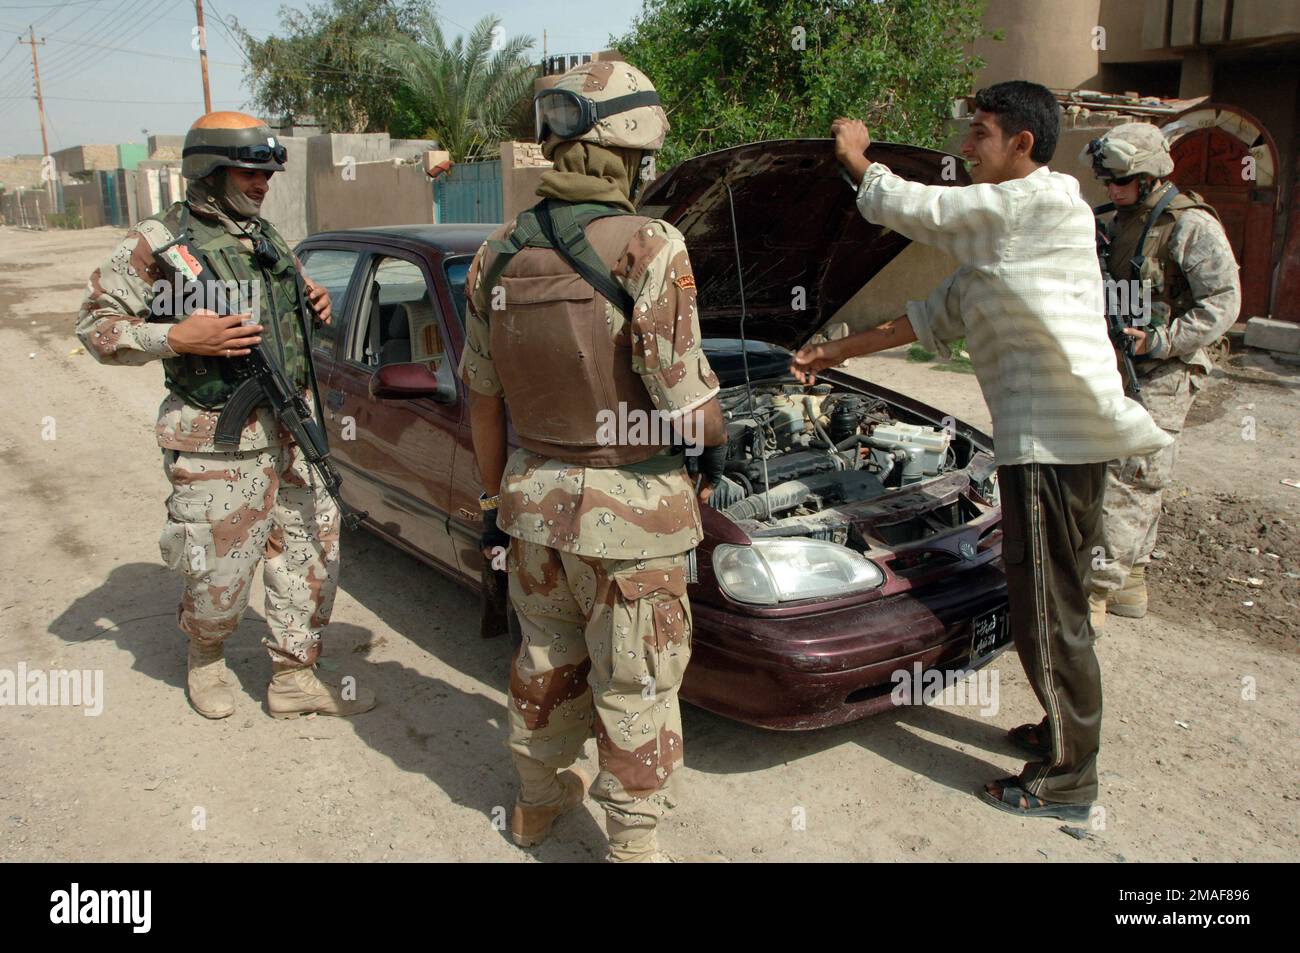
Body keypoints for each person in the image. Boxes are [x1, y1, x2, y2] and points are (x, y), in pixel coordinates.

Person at [790, 81, 1171, 820]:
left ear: (1023, 144)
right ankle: (1061, 729)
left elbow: (925, 210)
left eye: (982, 133)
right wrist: (829, 351)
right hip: (1058, 447)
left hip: (1054, 448)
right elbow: (926, 319)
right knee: (1048, 599)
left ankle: (1066, 779)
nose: (966, 146)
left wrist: (858, 159)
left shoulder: (1040, 203)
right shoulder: (1007, 244)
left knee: (1045, 609)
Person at [459, 61, 726, 861]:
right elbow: (687, 406)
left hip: (531, 505)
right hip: (633, 519)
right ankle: (634, 844)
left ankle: (538, 804)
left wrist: (488, 502)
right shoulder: (652, 244)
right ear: (632, 148)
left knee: (544, 661)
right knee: (636, 680)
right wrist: (721, 434)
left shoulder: (495, 253)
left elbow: (482, 397)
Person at [75, 111, 375, 720]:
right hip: (218, 439)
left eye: (268, 173)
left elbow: (281, 308)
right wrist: (178, 337)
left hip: (295, 429)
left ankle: (295, 675)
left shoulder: (264, 237)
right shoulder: (158, 244)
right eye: (250, 171)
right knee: (219, 564)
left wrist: (310, 297)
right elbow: (95, 327)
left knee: (309, 552)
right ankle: (207, 656)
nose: (263, 183)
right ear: (210, 171)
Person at [1082, 123, 1240, 624]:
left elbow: (1224, 302)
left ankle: (1095, 595)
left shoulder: (1191, 225)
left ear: (1150, 178)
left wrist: (1163, 340)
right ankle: (1131, 580)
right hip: (1122, 362)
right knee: (1137, 471)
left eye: (1120, 182)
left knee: (1132, 474)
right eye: (1106, 181)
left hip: (1167, 368)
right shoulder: (1120, 220)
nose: (1111, 190)